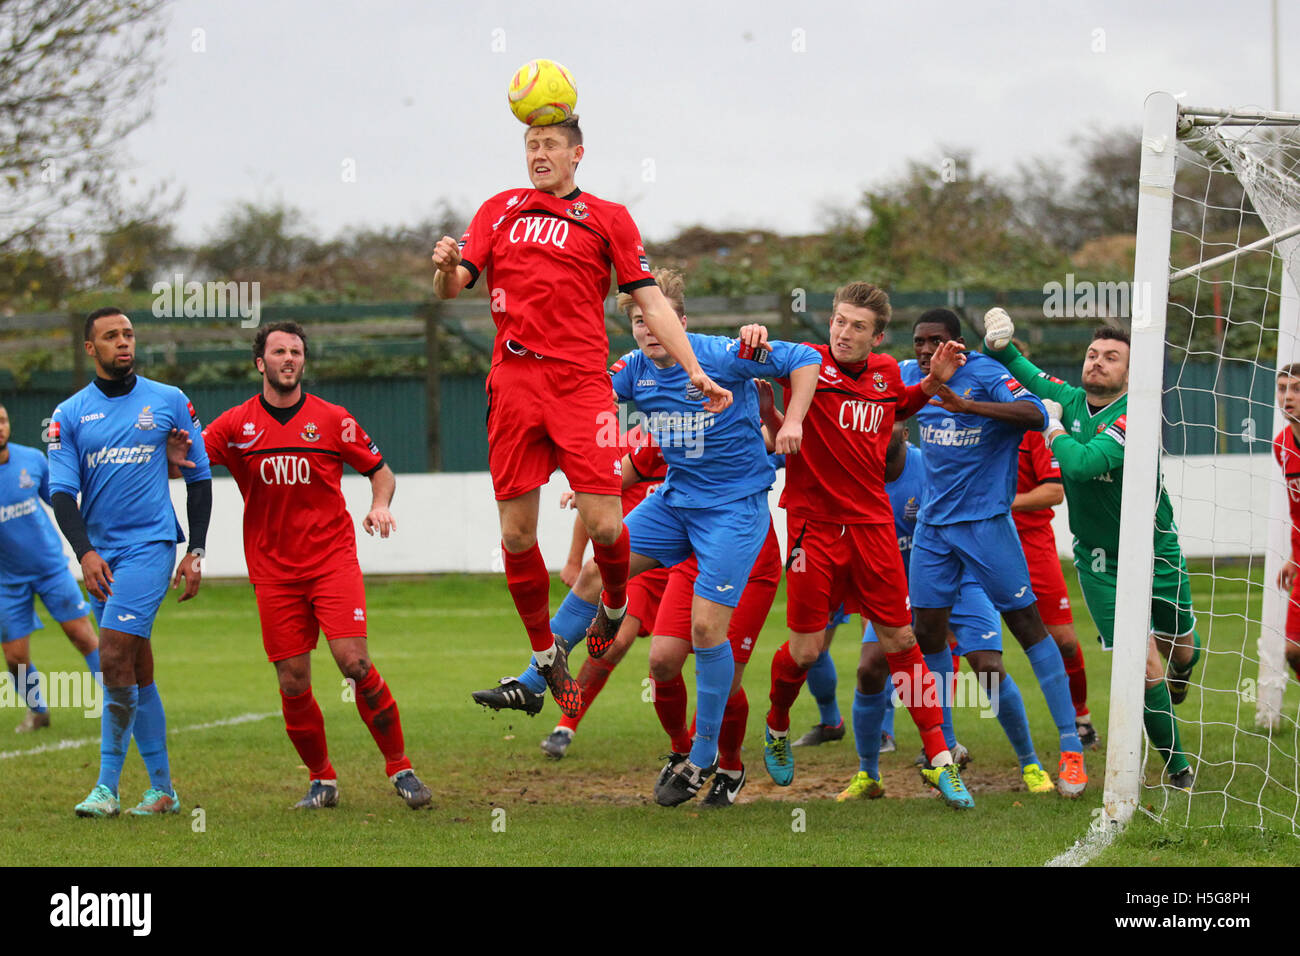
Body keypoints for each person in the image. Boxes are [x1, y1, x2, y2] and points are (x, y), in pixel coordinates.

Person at [431, 117, 729, 718]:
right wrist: (443, 266)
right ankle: (544, 656)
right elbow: (453, 286)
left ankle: (615, 602)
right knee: (516, 535)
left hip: (579, 383)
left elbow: (649, 299)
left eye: (551, 146)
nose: (539, 155)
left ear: (577, 154)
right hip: (513, 380)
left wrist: (695, 369)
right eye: (531, 145)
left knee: (606, 526)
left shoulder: (608, 217)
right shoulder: (499, 209)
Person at [741, 283, 976, 810]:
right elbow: (745, 355)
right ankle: (777, 726)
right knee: (805, 651)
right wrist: (752, 337)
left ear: (878, 335)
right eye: (839, 322)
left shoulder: (888, 372)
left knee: (901, 641)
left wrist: (934, 383)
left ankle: (939, 759)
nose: (844, 334)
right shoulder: (805, 362)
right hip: (813, 528)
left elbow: (898, 406)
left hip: (872, 527)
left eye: (857, 326)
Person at [201, 321, 432, 809]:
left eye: (297, 352)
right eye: (279, 351)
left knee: (355, 663)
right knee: (293, 681)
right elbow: (188, 462)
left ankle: (400, 767)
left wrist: (379, 504)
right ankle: (322, 780)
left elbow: (380, 472)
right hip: (273, 572)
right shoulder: (233, 426)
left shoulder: (332, 419)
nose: (289, 359)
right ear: (260, 363)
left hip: (331, 561)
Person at [983, 309, 1199, 789]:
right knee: (1140, 666)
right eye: (1092, 354)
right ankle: (1179, 768)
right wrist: (1000, 345)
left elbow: (1079, 466)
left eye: (1111, 357)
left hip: (1156, 553)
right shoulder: (1070, 398)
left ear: (1131, 372)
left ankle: (1183, 668)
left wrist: (1052, 429)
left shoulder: (1133, 417)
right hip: (1100, 562)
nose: (1097, 363)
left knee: (1180, 650)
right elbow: (1028, 373)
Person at [901, 309, 1088, 797]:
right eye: (919, 341)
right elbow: (884, 408)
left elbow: (1039, 414)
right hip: (933, 530)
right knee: (925, 632)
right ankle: (944, 749)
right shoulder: (908, 376)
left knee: (1028, 628)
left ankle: (1071, 750)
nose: (924, 350)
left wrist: (967, 406)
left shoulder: (985, 374)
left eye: (935, 341)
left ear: (958, 344)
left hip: (987, 525)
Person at [49, 307, 211, 817]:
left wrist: (196, 550)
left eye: (129, 334)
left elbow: (200, 477)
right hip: (101, 556)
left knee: (112, 656)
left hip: (150, 546)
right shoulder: (69, 414)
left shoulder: (169, 402)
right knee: (136, 666)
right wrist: (86, 552)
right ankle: (162, 790)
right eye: (110, 336)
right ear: (90, 349)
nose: (123, 343)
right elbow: (61, 494)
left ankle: (105, 788)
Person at [839, 423, 1056, 800]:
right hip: (900, 589)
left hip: (963, 578)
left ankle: (1030, 764)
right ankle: (869, 775)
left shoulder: (930, 469)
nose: (877, 433)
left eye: (888, 422)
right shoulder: (856, 477)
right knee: (869, 667)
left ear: (905, 430)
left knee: (987, 667)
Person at [536, 425, 669, 758]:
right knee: (615, 643)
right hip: (640, 561)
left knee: (683, 653)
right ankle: (566, 724)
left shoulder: (701, 433)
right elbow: (595, 506)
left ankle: (696, 745)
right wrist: (572, 560)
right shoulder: (628, 442)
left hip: (689, 562)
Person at [0, 403, 100, 732]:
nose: (0, 427)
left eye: (2, 420)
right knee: (14, 658)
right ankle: (38, 712)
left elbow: (61, 503)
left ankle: (118, 701)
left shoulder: (32, 459)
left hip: (50, 569)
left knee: (83, 636)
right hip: (6, 582)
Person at [1013, 425, 1096, 747]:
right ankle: (939, 739)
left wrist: (1001, 502)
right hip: (981, 541)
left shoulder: (1031, 427)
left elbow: (1053, 492)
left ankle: (1081, 717)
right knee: (951, 639)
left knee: (1065, 642)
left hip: (1033, 544)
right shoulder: (967, 420)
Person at [1273, 363, 1300, 681]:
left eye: (1296, 389)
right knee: (1293, 650)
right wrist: (1293, 559)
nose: (1287, 396)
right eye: (1282, 389)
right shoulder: (1281, 445)